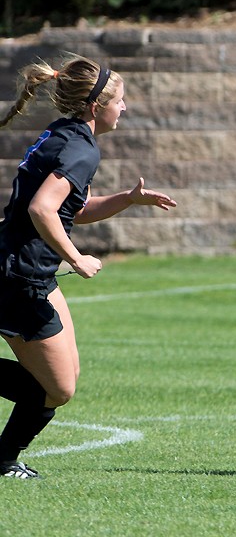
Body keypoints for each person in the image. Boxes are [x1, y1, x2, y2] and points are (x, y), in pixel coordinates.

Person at [0, 55, 177, 479]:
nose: (125, 108)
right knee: (55, 389)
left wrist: (128, 199)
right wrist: (76, 258)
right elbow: (44, 208)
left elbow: (70, 210)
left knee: (64, 378)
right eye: (121, 100)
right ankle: (3, 460)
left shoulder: (66, 135)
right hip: (18, 276)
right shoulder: (80, 147)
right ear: (96, 106)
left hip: (27, 271)